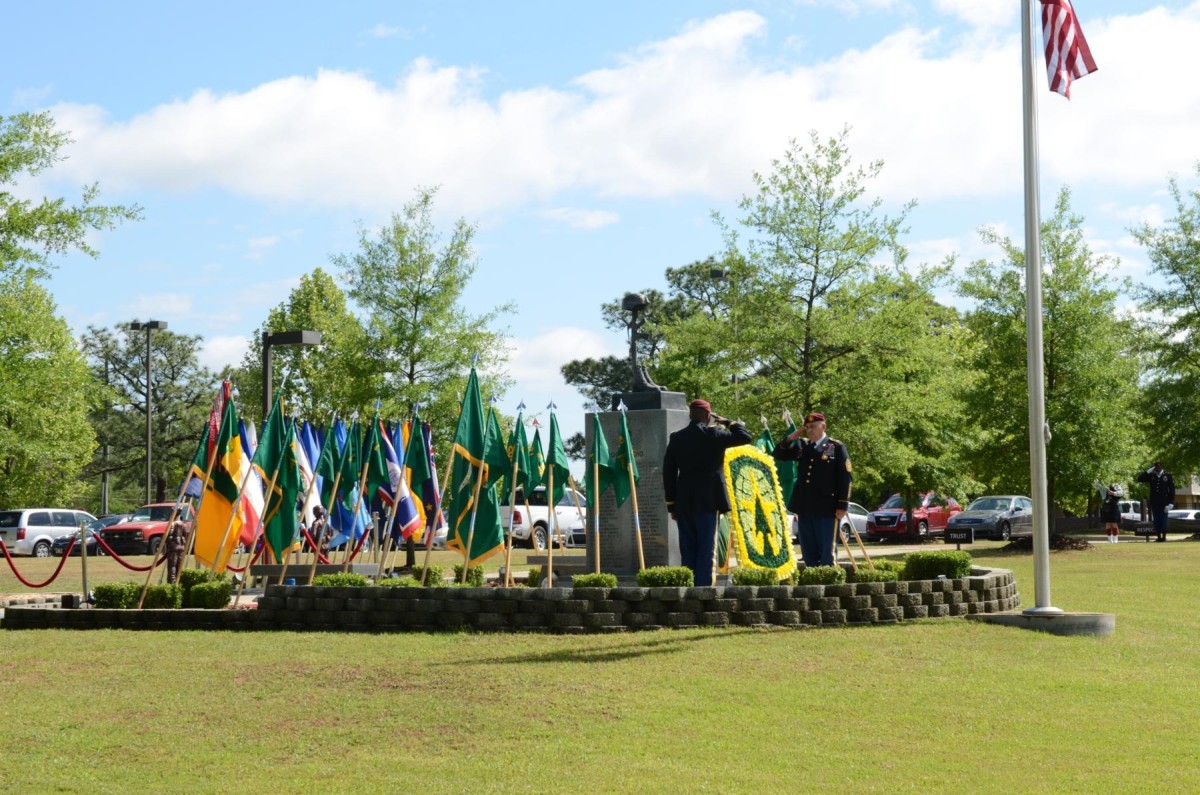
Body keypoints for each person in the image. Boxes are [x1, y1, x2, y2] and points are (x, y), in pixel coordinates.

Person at [662, 398, 752, 586]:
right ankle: (703, 588)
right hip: (709, 500)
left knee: (687, 548)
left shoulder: (677, 438)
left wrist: (671, 504)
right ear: (709, 416)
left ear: (690, 415)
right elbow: (745, 436)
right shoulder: (715, 435)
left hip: (684, 501)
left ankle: (689, 587)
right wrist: (728, 422)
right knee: (706, 547)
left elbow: (668, 473)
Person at [772, 411, 852, 567]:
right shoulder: (803, 445)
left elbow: (845, 478)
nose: (809, 430)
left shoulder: (835, 447)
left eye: (813, 427)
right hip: (805, 506)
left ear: (823, 426)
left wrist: (843, 504)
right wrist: (792, 437)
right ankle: (812, 583)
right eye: (807, 428)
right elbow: (779, 454)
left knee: (827, 552)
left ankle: (828, 583)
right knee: (808, 551)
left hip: (827, 507)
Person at [1137, 461, 1175, 542]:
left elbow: (1172, 490)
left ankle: (1164, 537)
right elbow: (1140, 479)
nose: (1157, 469)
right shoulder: (1152, 476)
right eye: (1156, 467)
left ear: (1161, 467)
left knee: (1163, 519)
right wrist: (1149, 471)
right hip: (1154, 502)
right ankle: (1158, 537)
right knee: (1156, 519)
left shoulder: (1167, 476)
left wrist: (1171, 502)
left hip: (1164, 502)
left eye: (1159, 467)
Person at [164, 518, 187, 584]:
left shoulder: (172, 524)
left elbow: (169, 535)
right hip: (181, 547)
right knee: (179, 566)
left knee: (172, 566)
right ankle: (179, 581)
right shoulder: (183, 524)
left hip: (173, 547)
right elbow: (185, 535)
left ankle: (171, 582)